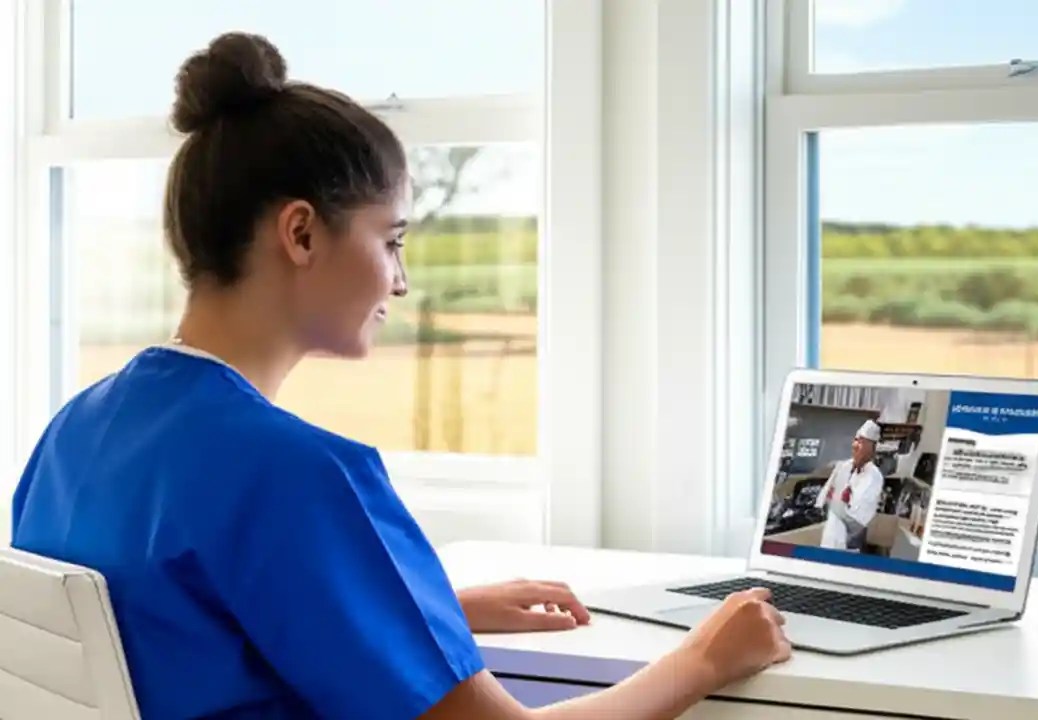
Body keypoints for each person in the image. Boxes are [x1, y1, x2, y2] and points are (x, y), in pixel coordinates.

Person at [9, 32, 790, 720]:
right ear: (302, 232)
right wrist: (703, 659)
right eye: (393, 240)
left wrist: (421, 611)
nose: (401, 282)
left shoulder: (75, 432)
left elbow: (175, 626)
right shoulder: (296, 475)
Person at [814, 420, 885, 551]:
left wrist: (835, 502)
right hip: (829, 536)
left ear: (872, 448)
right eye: (856, 440)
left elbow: (856, 517)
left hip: (848, 544)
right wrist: (831, 502)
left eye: (862, 442)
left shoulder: (874, 476)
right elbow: (824, 497)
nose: (855, 445)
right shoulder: (844, 466)